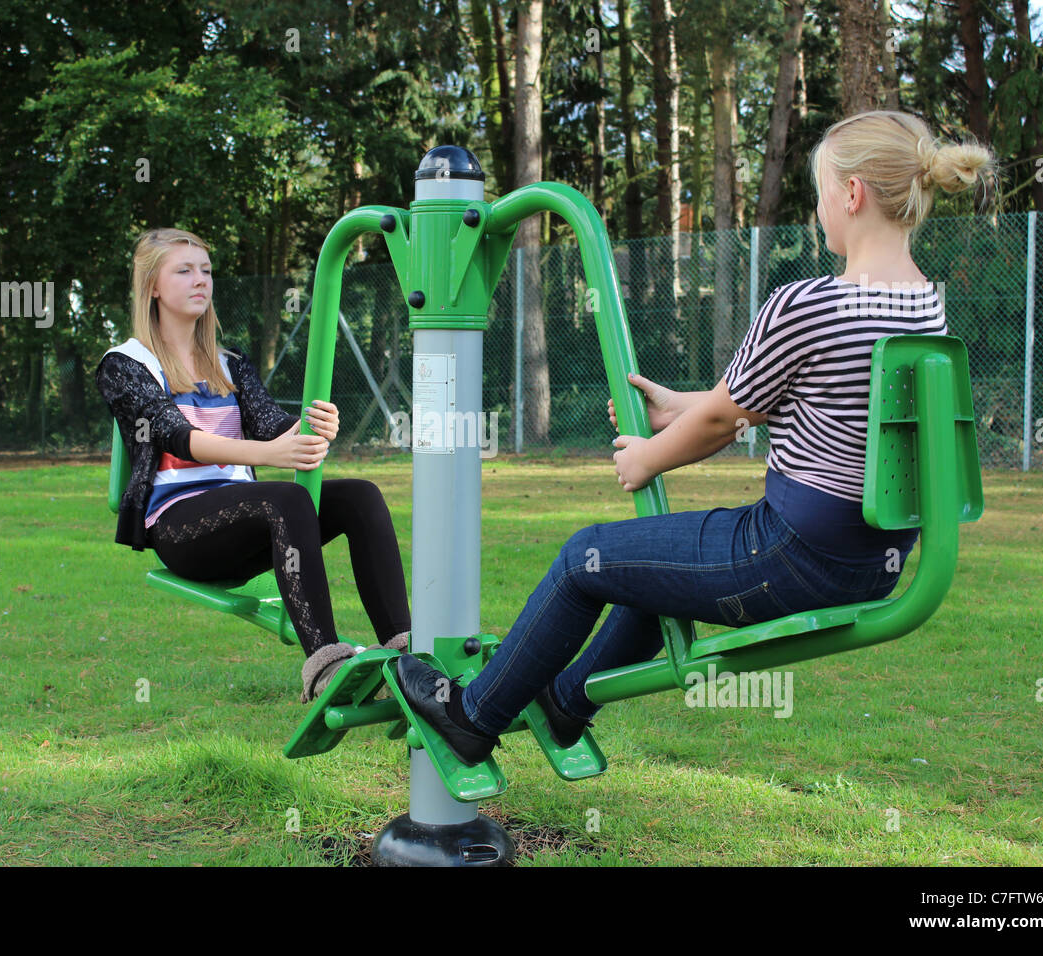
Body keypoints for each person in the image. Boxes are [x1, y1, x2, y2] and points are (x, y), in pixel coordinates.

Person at [394, 110, 995, 764]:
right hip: (866, 564)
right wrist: (677, 407)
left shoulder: (809, 304)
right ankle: (564, 703)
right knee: (648, 572)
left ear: (851, 195)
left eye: (821, 192)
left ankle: (472, 716)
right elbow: (781, 400)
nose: (820, 209)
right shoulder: (924, 309)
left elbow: (722, 421)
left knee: (583, 559)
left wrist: (649, 458)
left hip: (788, 554)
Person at [96, 227, 411, 703]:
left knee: (359, 495)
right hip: (182, 529)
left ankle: (405, 650)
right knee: (285, 496)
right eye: (184, 270)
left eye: (205, 270)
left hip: (251, 520)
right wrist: (268, 456)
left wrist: (314, 425)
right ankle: (327, 666)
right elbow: (176, 435)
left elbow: (271, 424)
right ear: (152, 287)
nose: (200, 280)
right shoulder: (125, 364)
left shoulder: (229, 362)